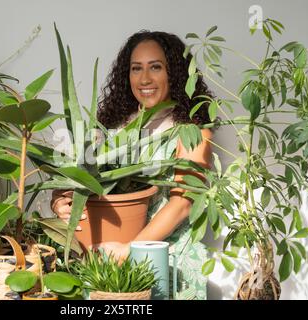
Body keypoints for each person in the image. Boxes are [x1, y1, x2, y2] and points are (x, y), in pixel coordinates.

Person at [51, 30, 213, 299]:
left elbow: (184, 201)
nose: (145, 78)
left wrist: (130, 249)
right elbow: (80, 179)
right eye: (136, 68)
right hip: (105, 262)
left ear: (176, 73)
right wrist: (61, 201)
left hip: (164, 259)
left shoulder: (192, 130)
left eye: (156, 67)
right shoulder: (113, 126)